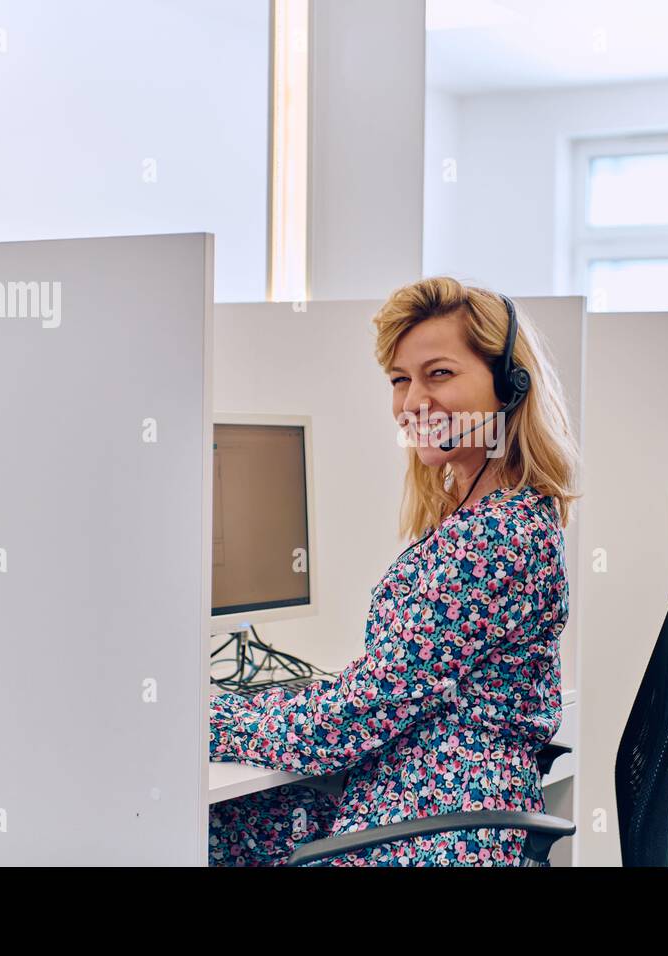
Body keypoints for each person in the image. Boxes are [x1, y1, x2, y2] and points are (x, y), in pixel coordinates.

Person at [209, 276, 580, 865]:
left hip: (429, 831)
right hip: (422, 804)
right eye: (399, 380)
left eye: (439, 374)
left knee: (188, 831)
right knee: (215, 824)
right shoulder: (496, 513)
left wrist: (201, 720)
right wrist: (243, 709)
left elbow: (346, 725)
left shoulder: (491, 537)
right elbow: (380, 689)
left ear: (509, 386)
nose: (412, 403)